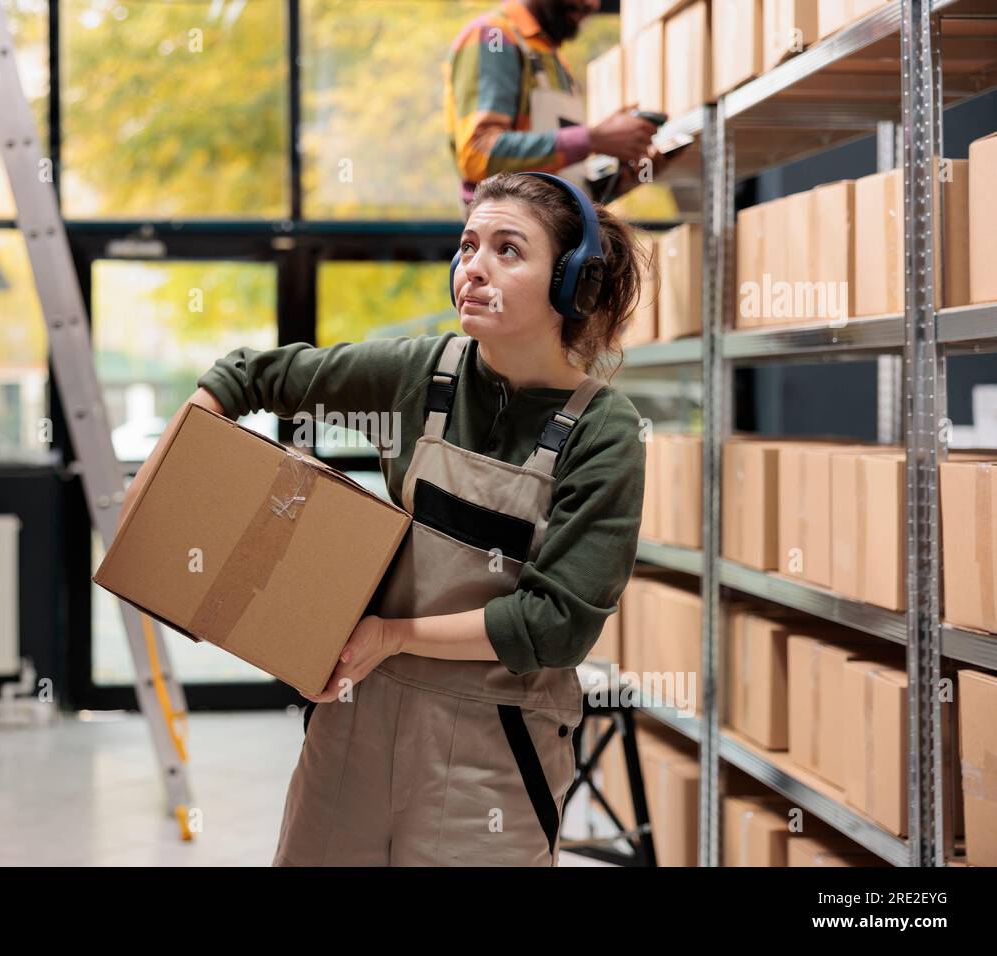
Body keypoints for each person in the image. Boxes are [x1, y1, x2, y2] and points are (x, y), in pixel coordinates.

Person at [121, 170, 646, 866]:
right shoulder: (424, 376)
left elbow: (554, 626)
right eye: (468, 246)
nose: (474, 269)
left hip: (493, 748)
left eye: (508, 251)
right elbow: (248, 374)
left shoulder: (604, 431)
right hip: (354, 724)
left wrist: (394, 634)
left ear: (569, 285)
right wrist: (159, 485)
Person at [445, 0, 657, 210]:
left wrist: (623, 180)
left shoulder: (555, 60)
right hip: (512, 236)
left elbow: (553, 189)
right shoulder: (494, 37)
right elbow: (478, 153)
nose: (593, 4)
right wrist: (592, 139)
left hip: (549, 236)